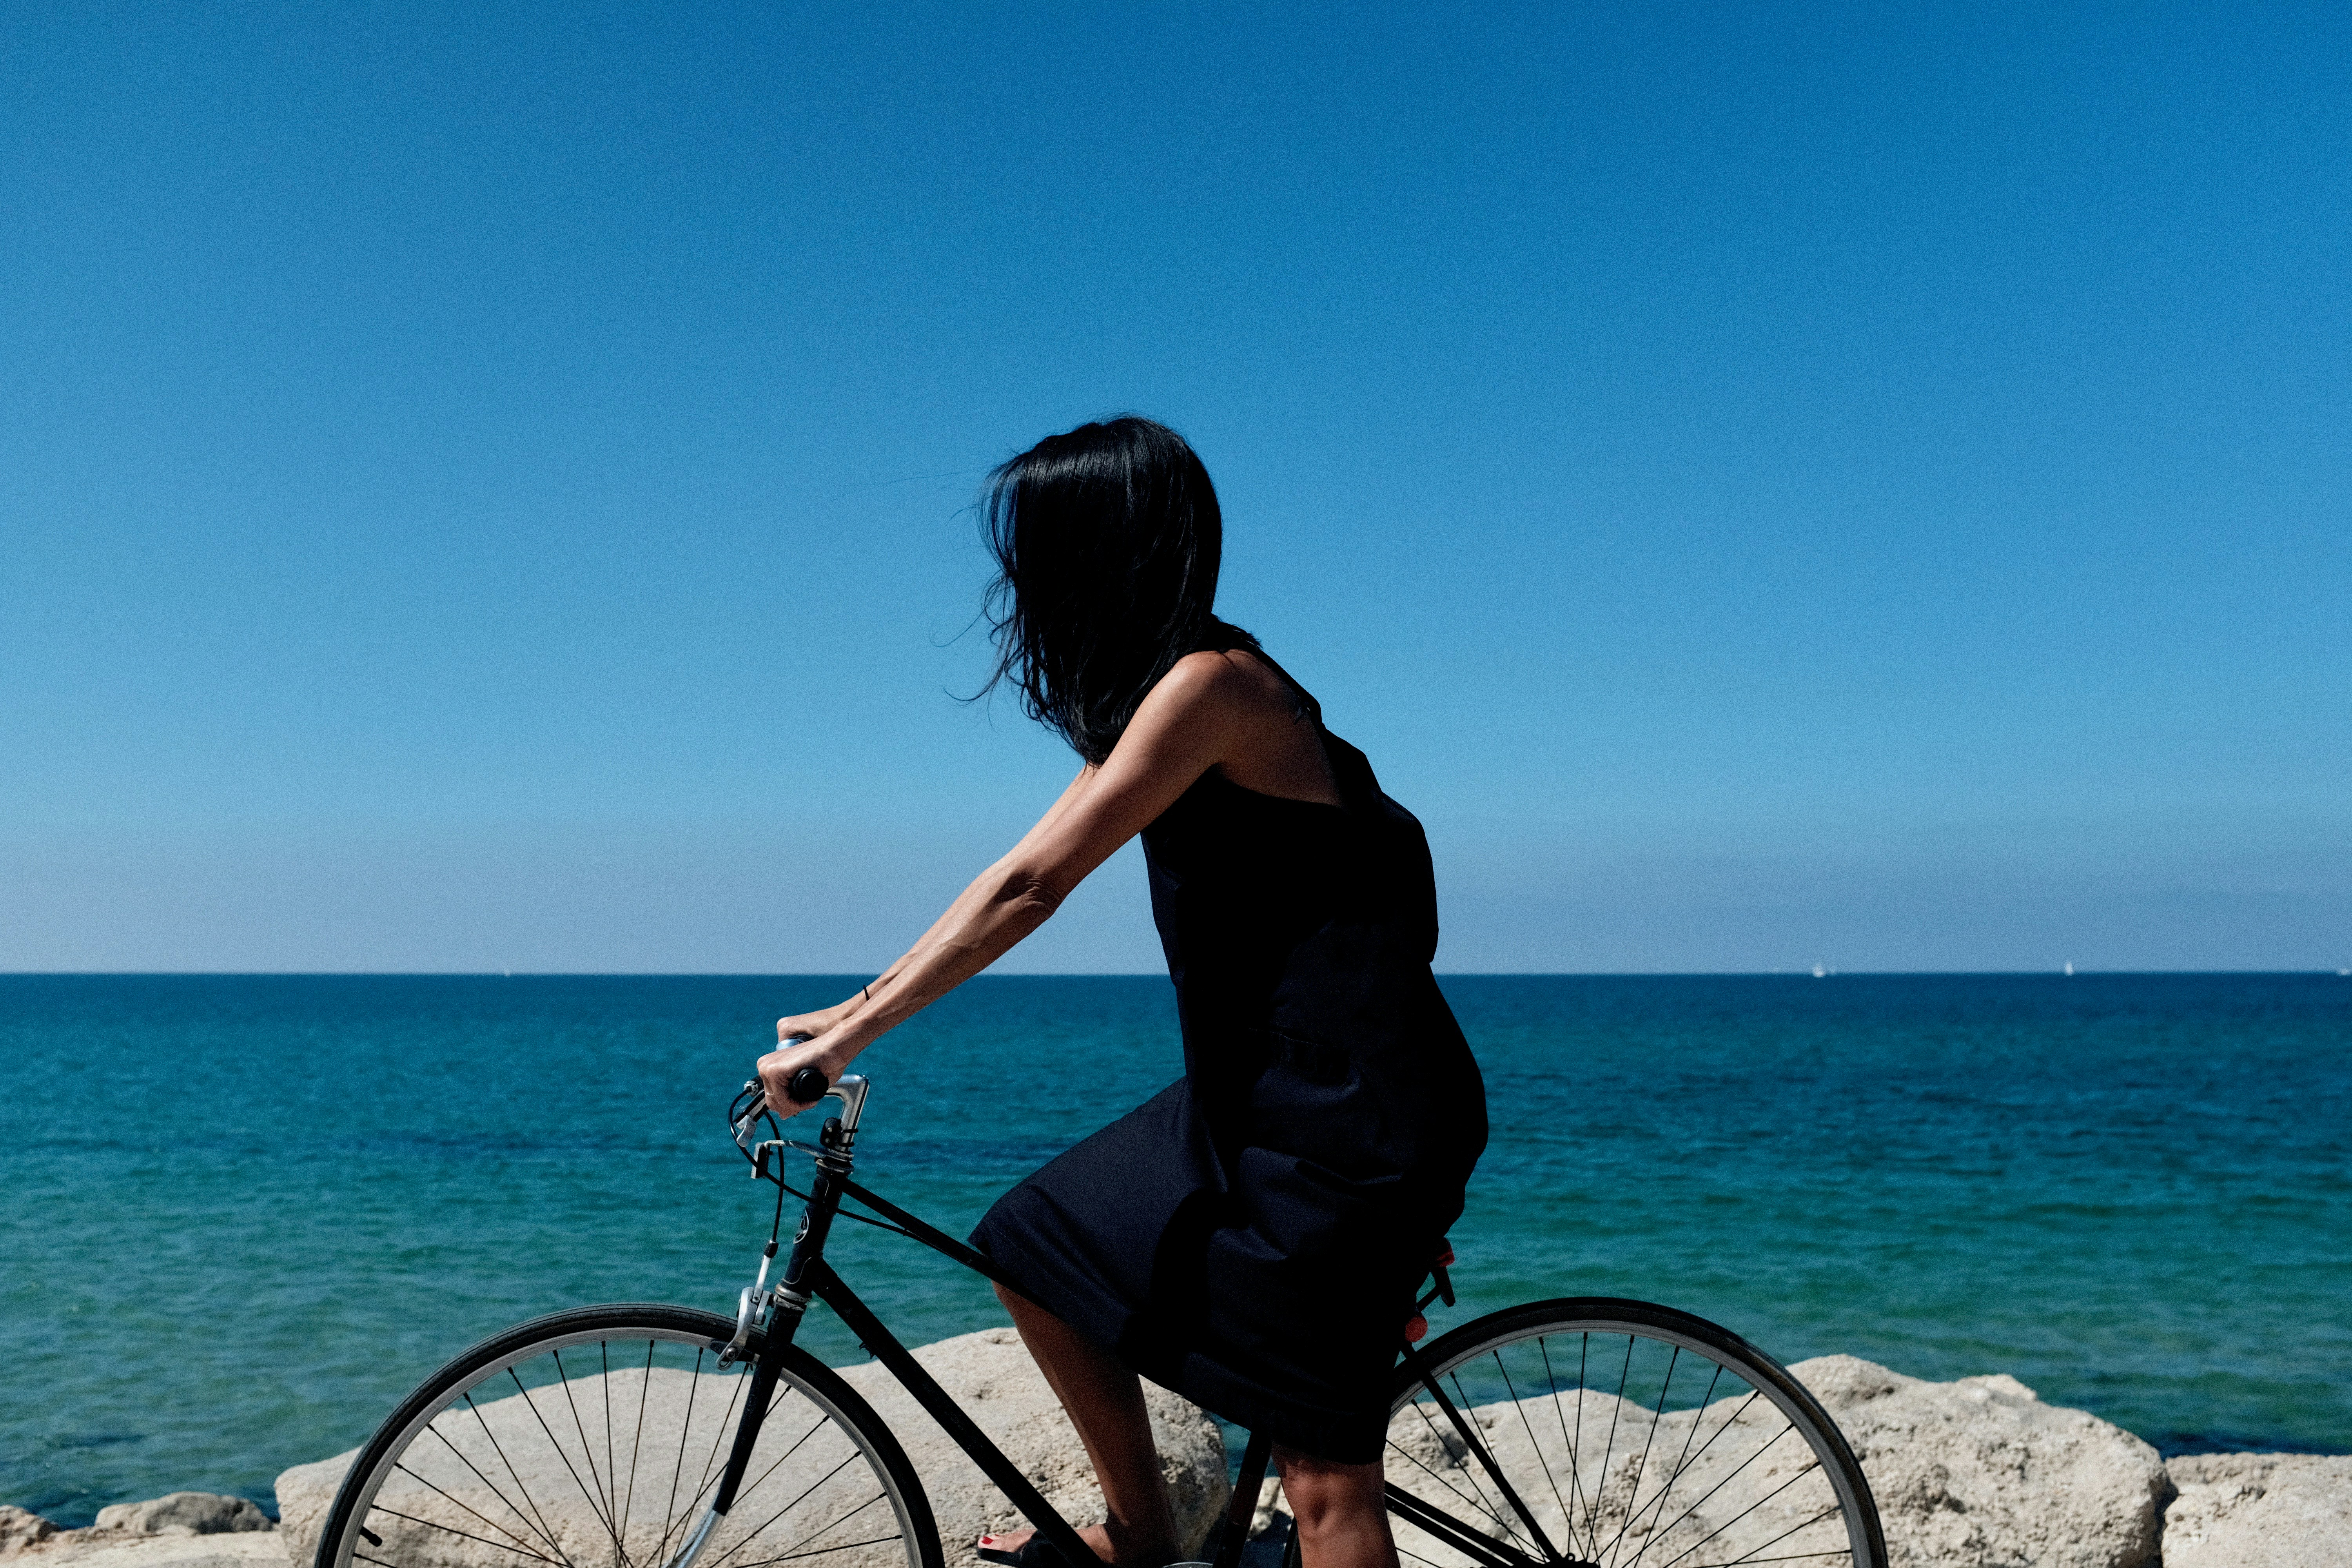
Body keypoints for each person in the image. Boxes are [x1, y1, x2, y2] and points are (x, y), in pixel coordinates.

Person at [756, 416, 1487, 1568]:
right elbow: (1009, 869)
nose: (1018, 583)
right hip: (1259, 1095)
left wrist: (846, 1047)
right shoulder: (1170, 697)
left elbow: (1039, 888)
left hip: (1346, 1120)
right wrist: (852, 1012)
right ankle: (1147, 1536)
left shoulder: (1217, 690)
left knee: (1324, 1479)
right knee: (1032, 1242)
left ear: (1102, 552)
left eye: (1034, 553)